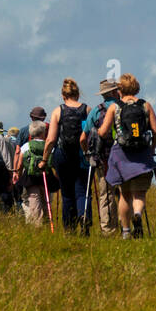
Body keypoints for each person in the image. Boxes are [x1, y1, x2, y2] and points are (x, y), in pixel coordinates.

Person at [96, 73, 156, 239]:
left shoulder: (114, 107)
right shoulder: (145, 105)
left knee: (124, 195)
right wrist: (152, 147)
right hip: (142, 153)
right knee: (139, 193)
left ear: (119, 90)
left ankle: (126, 232)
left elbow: (103, 132)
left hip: (121, 154)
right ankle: (138, 214)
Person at [44, 80, 89, 234]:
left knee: (67, 193)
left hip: (62, 155)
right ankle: (84, 217)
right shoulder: (87, 110)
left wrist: (44, 159)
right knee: (82, 191)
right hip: (81, 154)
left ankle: (69, 229)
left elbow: (50, 139)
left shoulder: (58, 111)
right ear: (77, 93)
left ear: (63, 95)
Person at [82, 79, 121, 236]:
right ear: (113, 92)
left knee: (106, 193)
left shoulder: (96, 111)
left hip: (103, 158)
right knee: (127, 192)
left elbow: (82, 138)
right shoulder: (122, 107)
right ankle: (127, 225)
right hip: (124, 156)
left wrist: (87, 153)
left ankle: (108, 229)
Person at [14, 120, 56, 226]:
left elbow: (19, 165)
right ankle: (47, 223)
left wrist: (18, 175)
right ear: (43, 132)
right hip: (46, 177)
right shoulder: (49, 146)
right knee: (46, 201)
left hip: (30, 178)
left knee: (34, 200)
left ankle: (37, 225)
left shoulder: (26, 146)